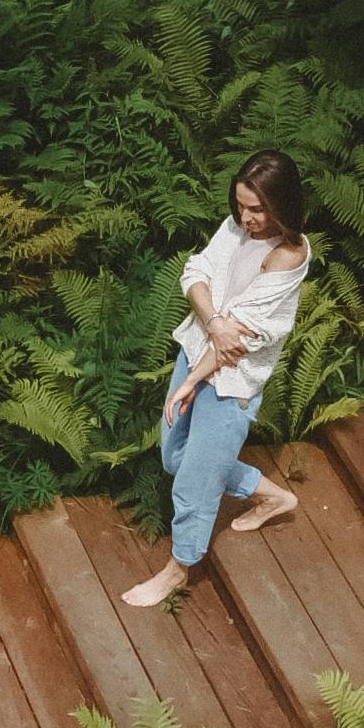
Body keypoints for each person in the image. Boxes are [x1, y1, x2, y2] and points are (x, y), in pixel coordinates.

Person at [120, 152, 310, 610]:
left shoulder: (290, 255)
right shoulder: (235, 227)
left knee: (196, 481)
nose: (246, 219)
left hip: (232, 383)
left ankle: (178, 569)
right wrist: (213, 322)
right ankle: (273, 496)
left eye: (258, 210)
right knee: (173, 456)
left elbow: (239, 340)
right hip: (194, 352)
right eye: (241, 205)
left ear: (282, 205)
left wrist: (190, 383)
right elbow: (196, 272)